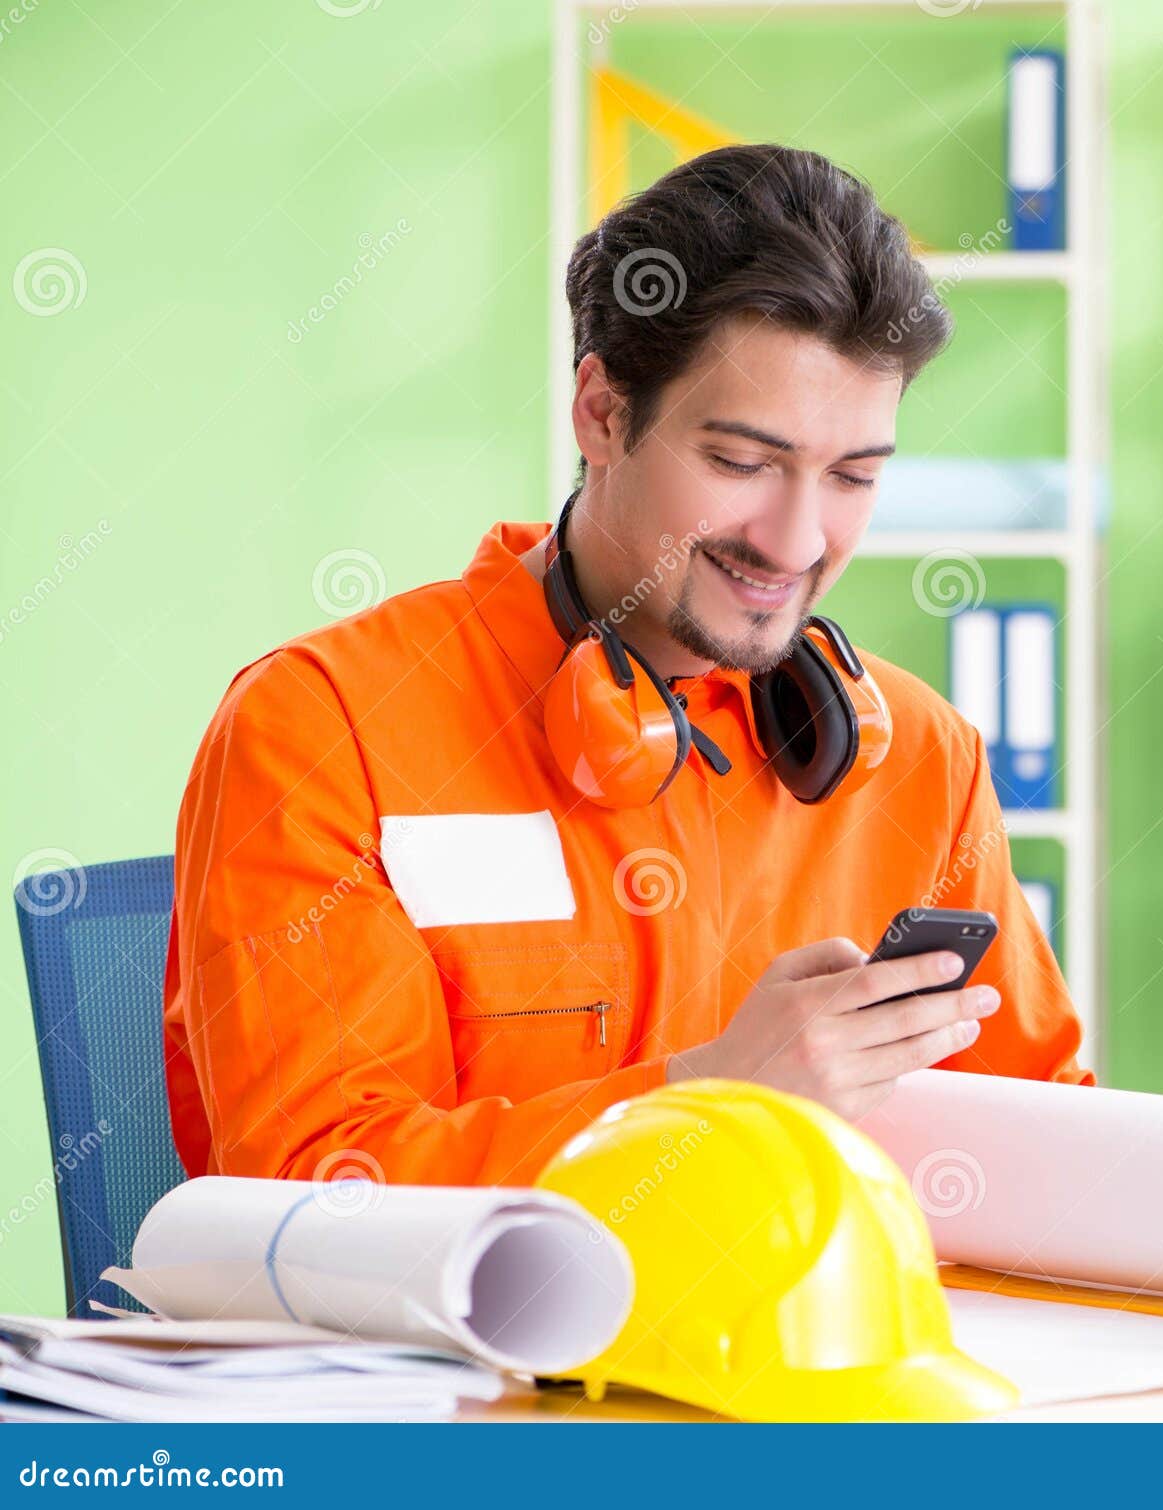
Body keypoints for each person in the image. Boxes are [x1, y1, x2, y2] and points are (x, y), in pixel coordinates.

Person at [162, 143, 1092, 1187]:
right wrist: (705, 1103)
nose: (793, 542)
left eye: (850, 476)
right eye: (740, 462)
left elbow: (1045, 1146)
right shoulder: (326, 727)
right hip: (465, 1353)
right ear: (602, 412)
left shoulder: (924, 758)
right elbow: (313, 1188)